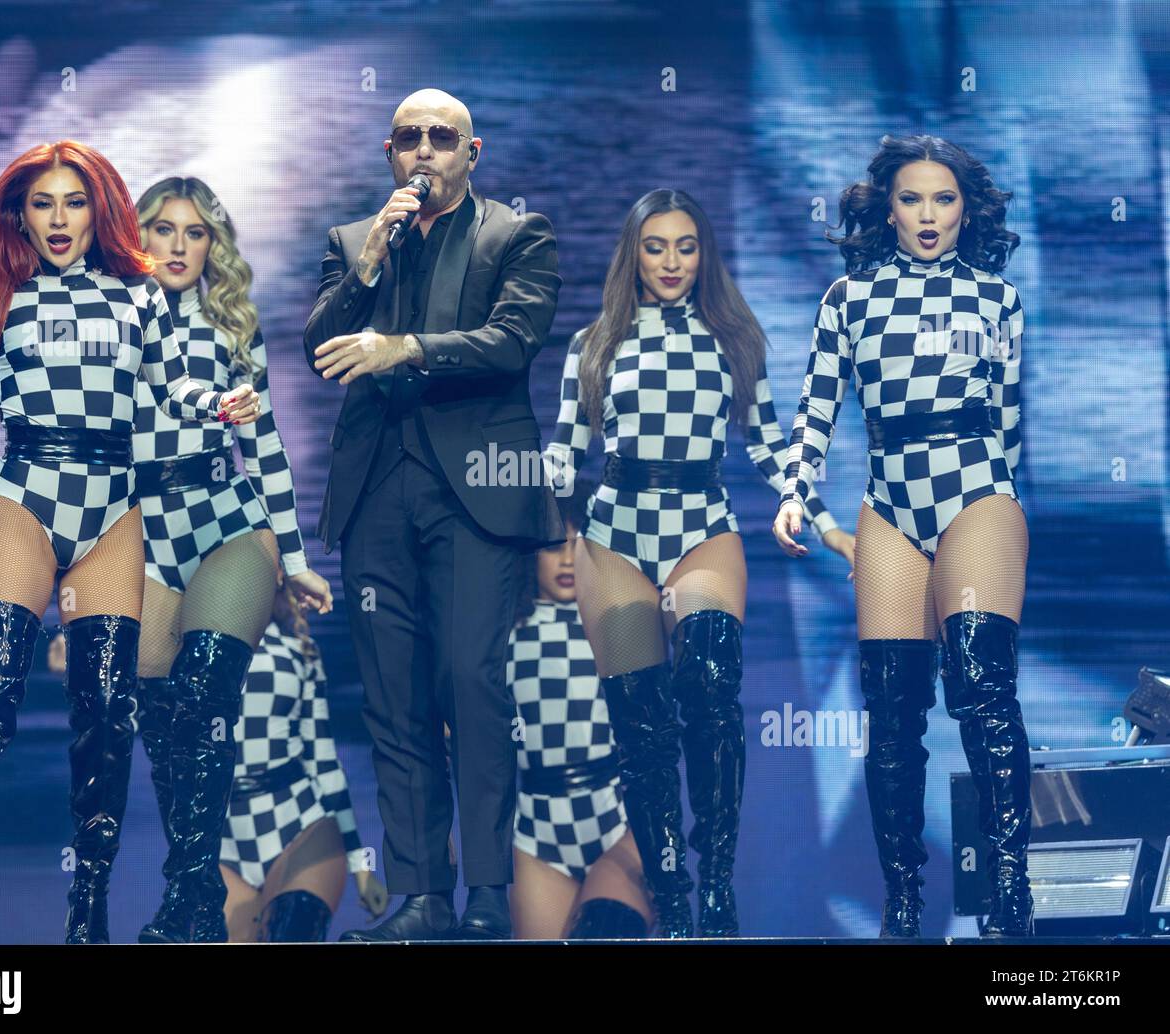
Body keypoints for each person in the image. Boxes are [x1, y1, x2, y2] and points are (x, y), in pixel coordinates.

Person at [0, 140, 259, 945]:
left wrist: (220, 404)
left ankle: (88, 912)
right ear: (20, 213)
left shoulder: (138, 295)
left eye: (74, 202)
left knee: (105, 715)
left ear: (97, 209)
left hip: (112, 504)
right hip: (23, 494)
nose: (59, 219)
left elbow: (175, 385)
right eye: (43, 203)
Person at [543, 189, 853, 937]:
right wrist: (522, 516)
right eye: (656, 246)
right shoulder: (592, 345)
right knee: (642, 729)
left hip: (702, 525)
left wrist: (821, 518)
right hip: (613, 532)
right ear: (634, 254)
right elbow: (562, 456)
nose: (673, 261)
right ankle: (672, 895)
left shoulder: (735, 339)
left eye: (687, 246)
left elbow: (772, 446)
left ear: (704, 253)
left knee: (713, 684)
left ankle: (716, 882)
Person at [302, 88, 564, 941]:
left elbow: (512, 341)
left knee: (471, 684)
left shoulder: (516, 235)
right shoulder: (353, 244)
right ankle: (420, 896)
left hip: (477, 491)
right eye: (408, 138)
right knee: (394, 698)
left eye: (440, 138)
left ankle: (489, 894)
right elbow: (316, 348)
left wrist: (405, 347)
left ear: (471, 153)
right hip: (379, 488)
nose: (424, 151)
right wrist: (370, 263)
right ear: (388, 152)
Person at [773, 134, 1032, 938]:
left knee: (984, 696)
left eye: (944, 199)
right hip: (888, 501)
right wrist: (795, 492)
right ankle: (905, 903)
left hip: (976, 491)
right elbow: (816, 413)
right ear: (887, 208)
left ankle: (1011, 897)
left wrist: (1002, 512)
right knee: (891, 713)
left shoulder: (997, 299)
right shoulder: (846, 299)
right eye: (912, 198)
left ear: (967, 210)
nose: (928, 214)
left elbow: (1011, 425)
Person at [129, 176, 333, 943]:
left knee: (206, 691)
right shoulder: (112, 322)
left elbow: (269, 449)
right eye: (163, 229)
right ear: (138, 236)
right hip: (143, 535)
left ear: (215, 245)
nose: (179, 246)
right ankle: (198, 896)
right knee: (166, 729)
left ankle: (187, 909)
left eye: (196, 232)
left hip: (228, 524)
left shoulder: (235, 329)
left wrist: (297, 556)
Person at [508, 478, 653, 939]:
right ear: (530, 553)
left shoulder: (618, 616)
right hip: (536, 836)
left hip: (617, 823)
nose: (569, 558)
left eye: (579, 543)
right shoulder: (501, 632)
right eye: (555, 546)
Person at [219, 584, 387, 941]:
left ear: (279, 572)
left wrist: (360, 866)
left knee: (291, 932)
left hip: (300, 825)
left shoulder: (299, 651)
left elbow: (323, 761)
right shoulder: (187, 652)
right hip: (223, 843)